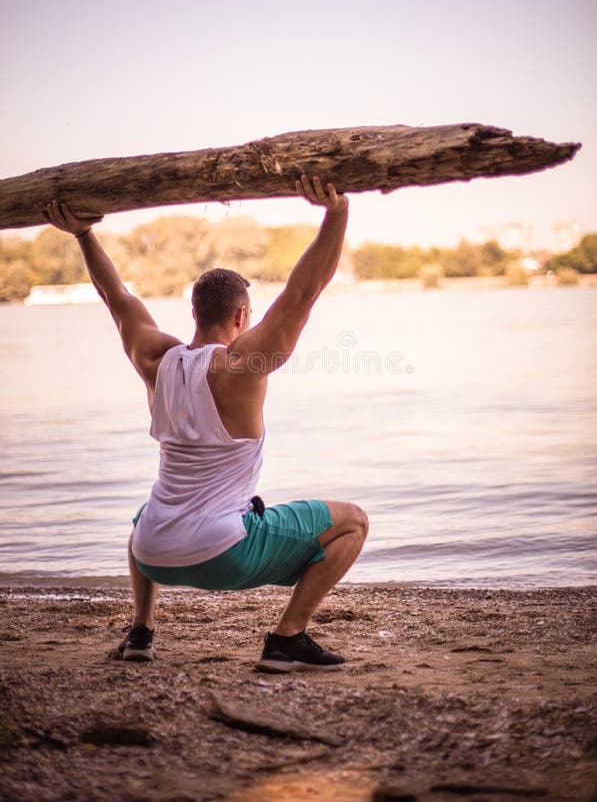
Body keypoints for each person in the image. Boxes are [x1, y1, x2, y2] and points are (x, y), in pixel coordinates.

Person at [44, 174, 368, 672]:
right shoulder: (242, 367)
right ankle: (287, 637)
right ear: (241, 316)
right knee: (352, 521)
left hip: (153, 553)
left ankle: (141, 632)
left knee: (149, 512)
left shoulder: (155, 358)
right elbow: (303, 293)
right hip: (223, 555)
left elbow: (115, 297)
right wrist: (337, 213)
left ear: (193, 313)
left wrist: (84, 234)